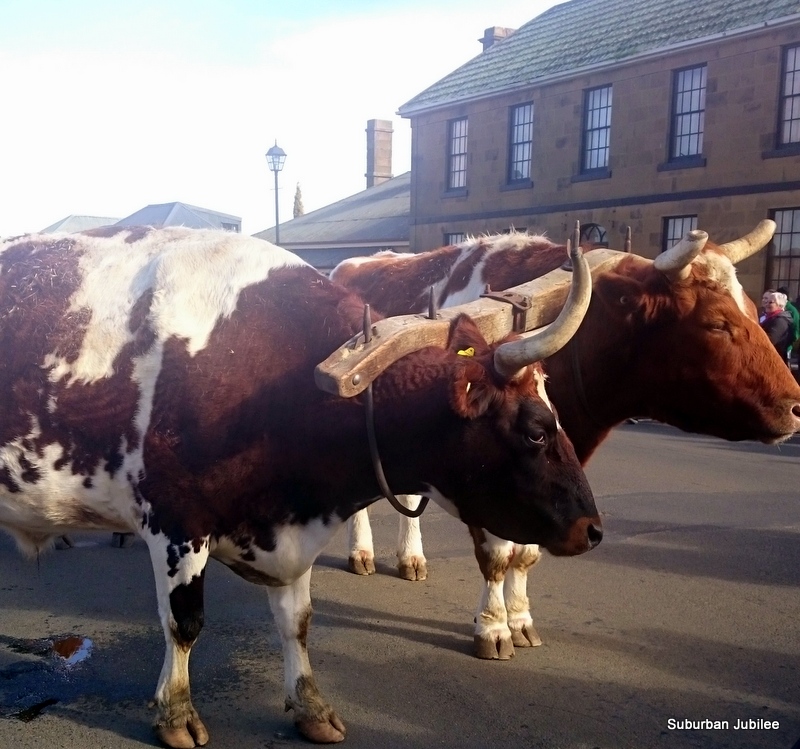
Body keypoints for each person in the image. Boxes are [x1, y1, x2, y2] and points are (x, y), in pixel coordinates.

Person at [760, 291, 794, 364]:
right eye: (767, 302)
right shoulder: (769, 317)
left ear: (780, 305)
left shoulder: (780, 321)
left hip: (774, 360)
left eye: (770, 302)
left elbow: (770, 340)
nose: (767, 304)